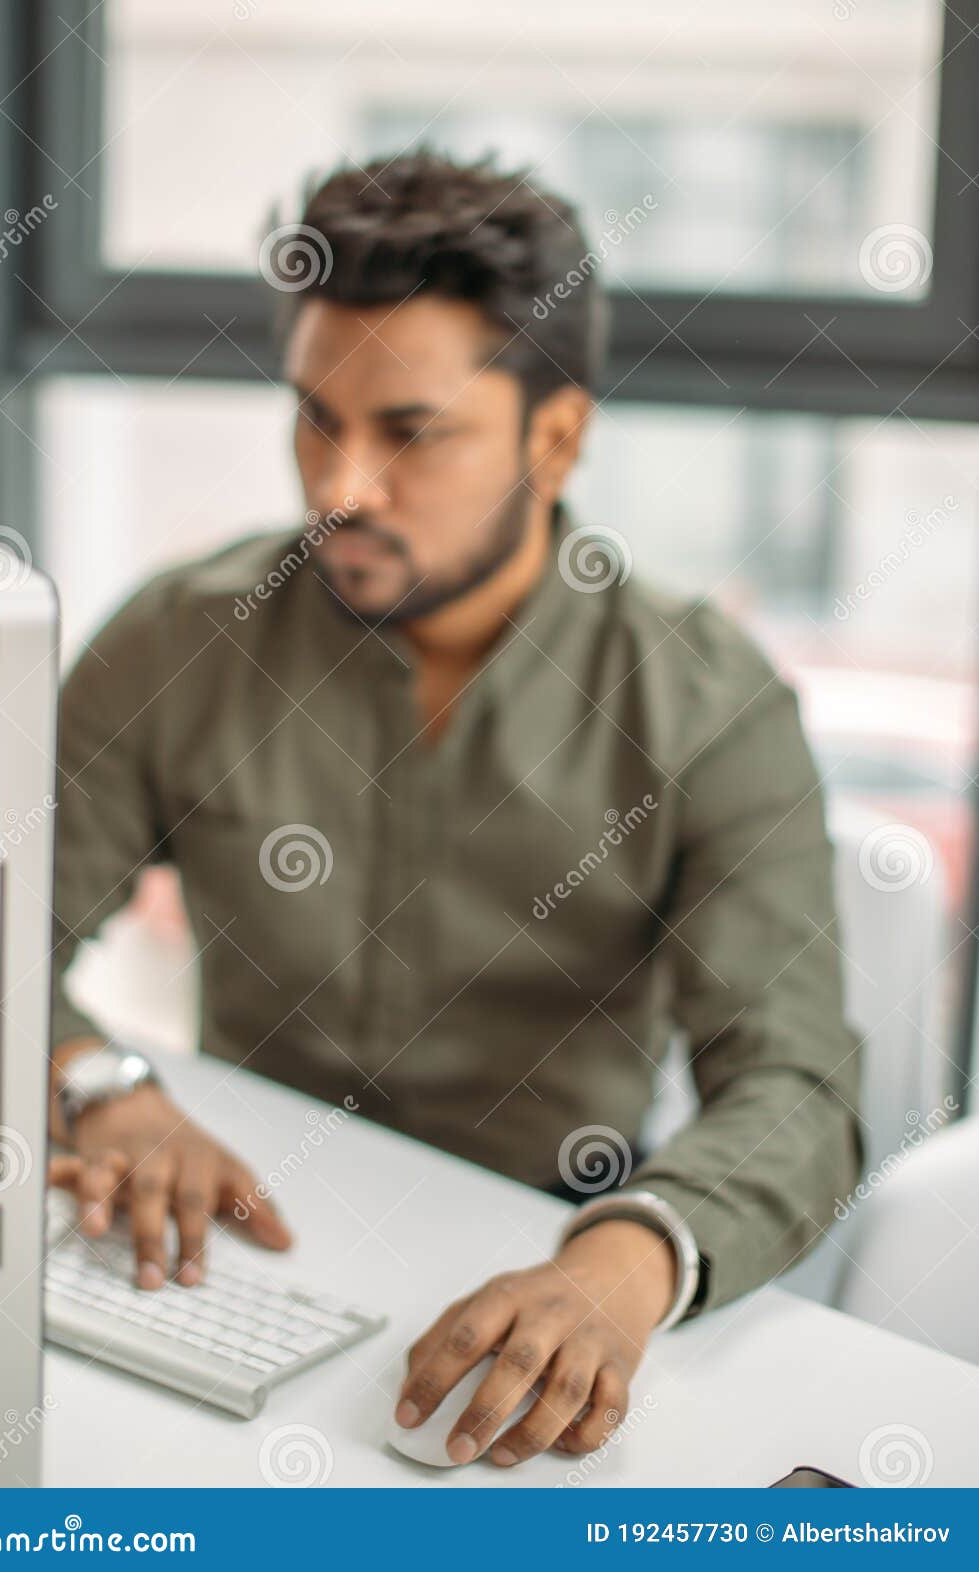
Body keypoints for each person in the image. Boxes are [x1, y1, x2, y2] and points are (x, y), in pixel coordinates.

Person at [48, 151, 862, 1468]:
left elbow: (797, 1083)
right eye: (314, 415)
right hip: (225, 1261)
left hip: (540, 1264)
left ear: (556, 435)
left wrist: (623, 1261)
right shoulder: (176, 640)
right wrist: (101, 1084)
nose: (338, 487)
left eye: (409, 432)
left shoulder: (707, 702)